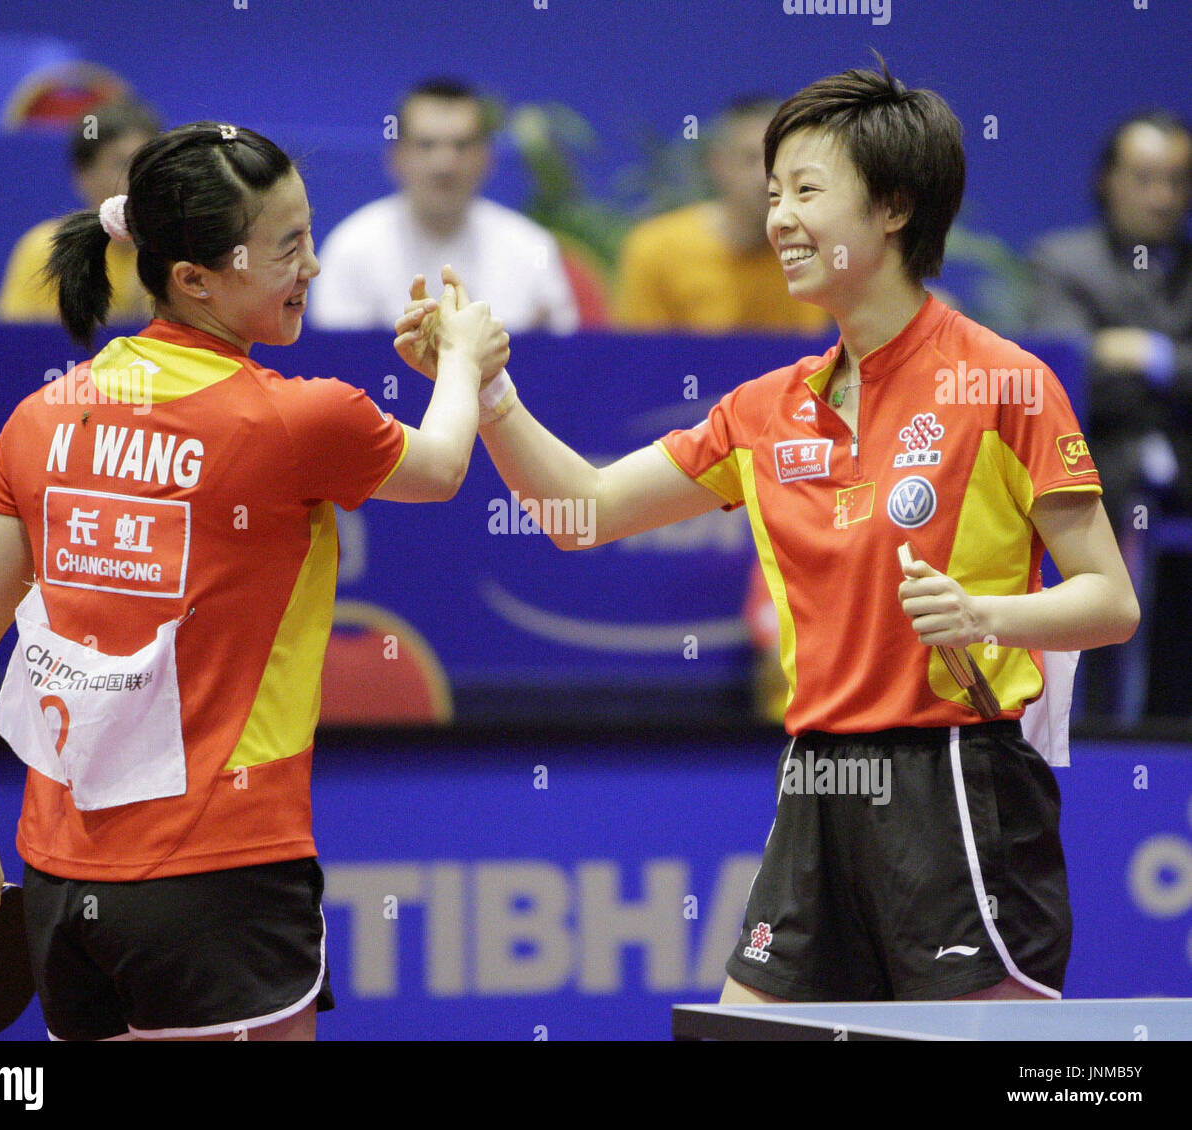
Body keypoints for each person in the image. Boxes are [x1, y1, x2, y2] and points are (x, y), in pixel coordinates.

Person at [396, 62, 1139, 1003]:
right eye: (774, 187)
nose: (778, 213)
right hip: (817, 777)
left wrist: (983, 613)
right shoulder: (766, 408)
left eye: (807, 190)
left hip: (957, 784)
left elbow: (1110, 602)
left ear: (894, 208)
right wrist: (486, 390)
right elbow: (579, 511)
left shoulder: (1003, 384)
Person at [0, 121, 507, 1041]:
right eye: (286, 248)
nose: (311, 266)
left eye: (309, 235)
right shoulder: (299, 418)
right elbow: (439, 468)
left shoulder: (40, 418)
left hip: (61, 888)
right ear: (193, 279)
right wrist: (465, 360)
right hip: (222, 881)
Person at [1028, 110, 1192, 718]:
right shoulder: (1062, 263)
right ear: (1107, 180)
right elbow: (1064, 372)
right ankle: (1093, 728)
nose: (1163, 197)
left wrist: (1149, 356)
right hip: (1099, 470)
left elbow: (1117, 363)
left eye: (1177, 181)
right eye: (1146, 178)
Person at [308, 78, 578, 333]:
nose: (445, 164)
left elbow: (562, 360)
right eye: (426, 145)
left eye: (461, 145)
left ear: (487, 158)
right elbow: (339, 361)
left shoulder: (531, 248)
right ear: (396, 156)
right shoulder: (352, 249)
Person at [613, 95, 831, 334]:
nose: (767, 176)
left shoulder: (818, 252)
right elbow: (641, 359)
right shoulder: (656, 249)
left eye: (782, 160)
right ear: (718, 165)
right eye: (750, 159)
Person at [0, 97, 161, 324]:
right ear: (84, 176)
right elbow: (20, 344)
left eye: (146, 163)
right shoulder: (47, 250)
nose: (136, 178)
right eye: (120, 164)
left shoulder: (183, 252)